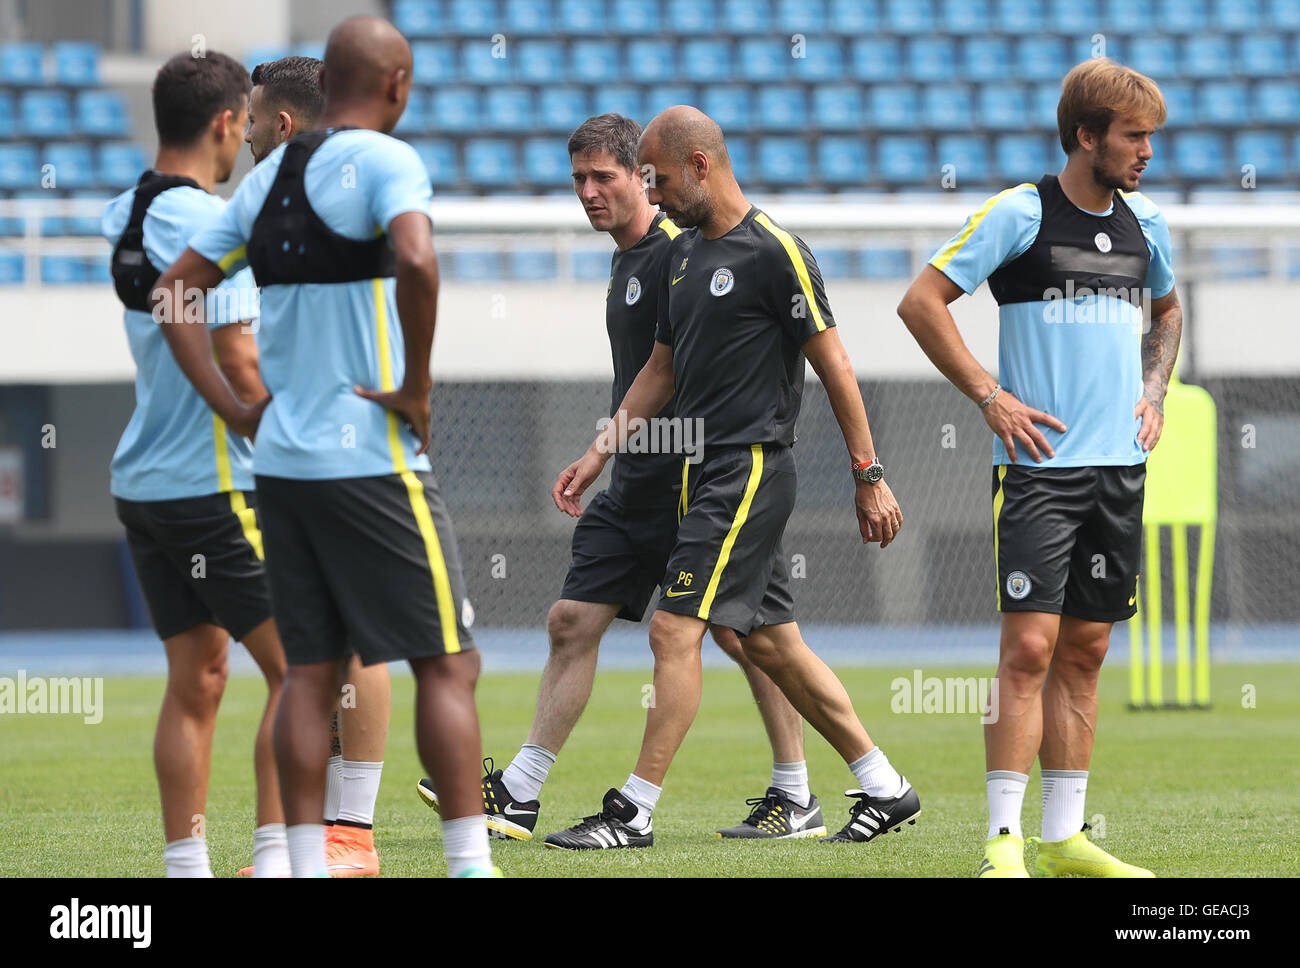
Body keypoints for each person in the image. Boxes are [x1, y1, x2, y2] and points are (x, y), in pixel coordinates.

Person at [152, 15, 493, 877]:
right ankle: (469, 863)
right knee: (448, 664)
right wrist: (415, 385)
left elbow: (173, 292)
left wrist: (238, 409)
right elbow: (417, 261)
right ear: (397, 86)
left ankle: (304, 860)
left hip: (284, 467)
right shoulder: (386, 159)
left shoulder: (262, 186)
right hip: (373, 459)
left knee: (308, 673)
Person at [417, 113, 821, 841]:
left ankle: (796, 790)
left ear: (647, 178)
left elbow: (709, 375)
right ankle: (520, 790)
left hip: (697, 485)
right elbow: (646, 377)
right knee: (572, 621)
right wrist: (602, 451)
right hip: (633, 484)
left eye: (603, 176)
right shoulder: (627, 260)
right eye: (578, 179)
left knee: (749, 634)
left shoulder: (686, 252)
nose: (588, 191)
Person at [545, 106, 919, 850]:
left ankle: (634, 811)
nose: (651, 191)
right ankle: (885, 786)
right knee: (771, 642)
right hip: (699, 470)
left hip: (747, 466)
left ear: (700, 166)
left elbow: (835, 364)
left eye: (656, 176)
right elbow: (660, 371)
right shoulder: (681, 257)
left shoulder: (774, 250)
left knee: (673, 627)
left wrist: (868, 473)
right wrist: (598, 455)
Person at [897, 58, 1179, 878]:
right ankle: (1003, 842)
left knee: (1086, 650)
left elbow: (1168, 308)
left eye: (1151, 138)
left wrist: (1154, 387)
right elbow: (922, 301)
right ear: (1086, 135)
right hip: (1037, 471)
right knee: (1027, 650)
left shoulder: (1146, 224)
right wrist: (988, 395)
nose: (1146, 152)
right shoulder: (1020, 214)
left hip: (1118, 469)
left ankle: (1064, 840)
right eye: (1133, 136)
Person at [104, 49, 289, 877]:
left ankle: (187, 868)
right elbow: (239, 358)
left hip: (145, 484)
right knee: (307, 674)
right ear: (224, 124)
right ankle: (278, 858)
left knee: (199, 679)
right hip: (218, 481)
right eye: (243, 121)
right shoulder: (215, 224)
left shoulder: (123, 213)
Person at [236, 53, 392, 877]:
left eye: (253, 117)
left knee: (358, 637)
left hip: (348, 448)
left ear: (283, 122)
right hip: (299, 452)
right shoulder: (275, 200)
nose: (244, 130)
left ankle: (354, 835)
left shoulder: (348, 188)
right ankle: (322, 834)